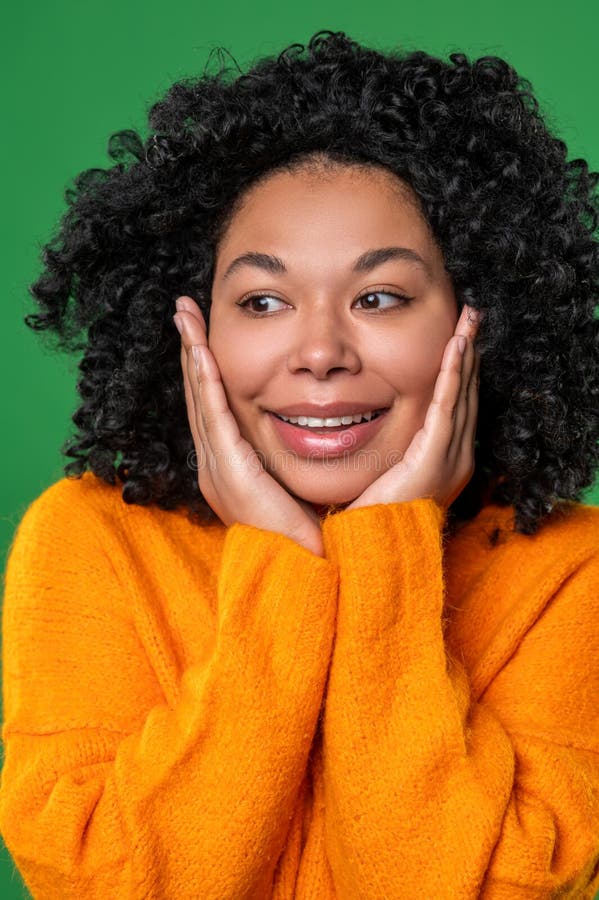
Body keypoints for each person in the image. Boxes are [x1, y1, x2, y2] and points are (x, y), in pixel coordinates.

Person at [0, 28, 598, 899]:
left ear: (479, 322)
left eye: (380, 296)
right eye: (264, 300)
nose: (318, 351)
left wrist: (385, 548)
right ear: (194, 327)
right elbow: (113, 885)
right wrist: (281, 562)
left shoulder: (570, 572)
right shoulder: (90, 539)